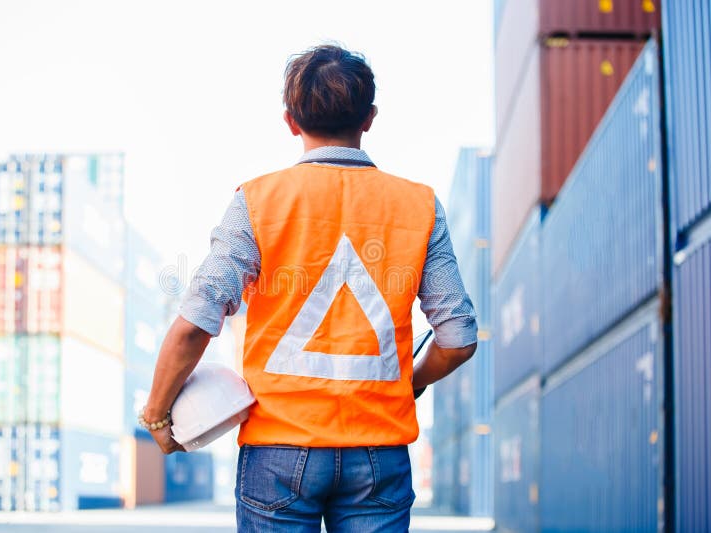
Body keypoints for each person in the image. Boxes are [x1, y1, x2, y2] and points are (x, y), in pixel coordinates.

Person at [142, 44, 477, 533]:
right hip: (379, 453)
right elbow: (458, 338)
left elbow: (195, 323)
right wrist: (411, 381)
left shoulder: (257, 202)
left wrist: (157, 417)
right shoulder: (419, 206)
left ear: (290, 121)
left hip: (279, 452)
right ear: (369, 118)